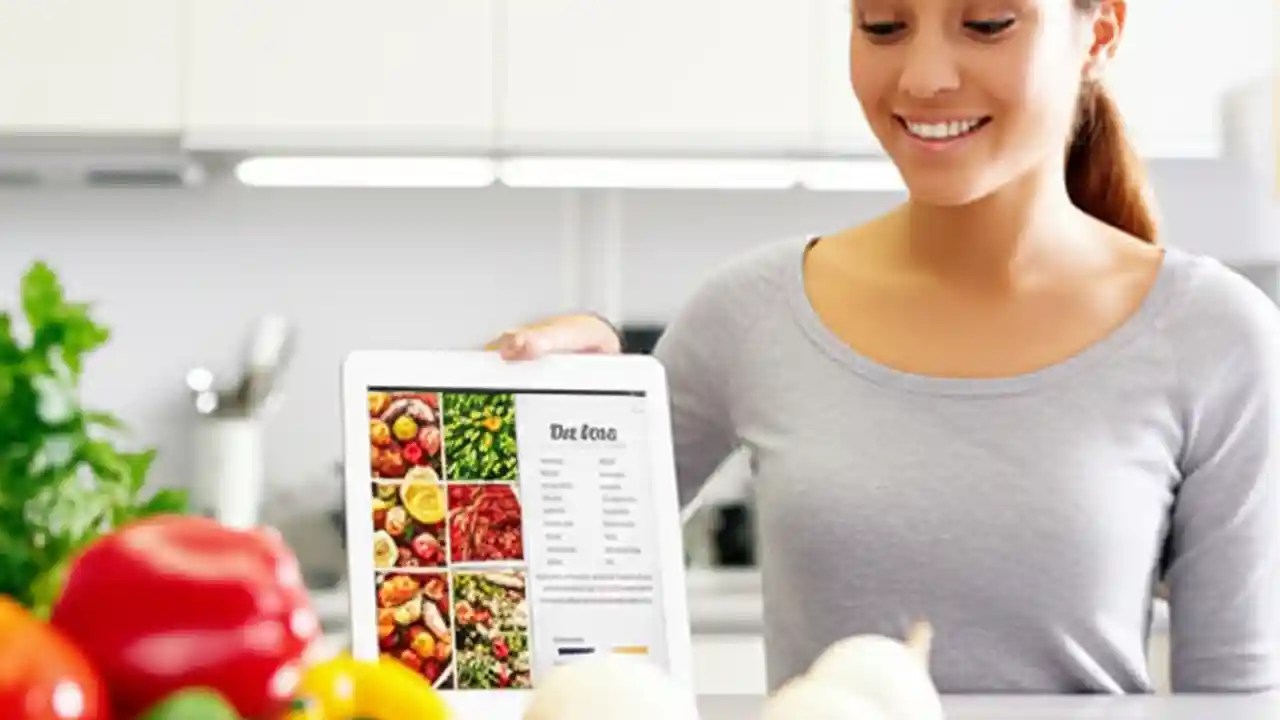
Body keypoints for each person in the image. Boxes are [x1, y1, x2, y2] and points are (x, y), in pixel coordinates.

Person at [487, 0, 1280, 695]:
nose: (924, 77)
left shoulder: (1216, 334)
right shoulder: (750, 311)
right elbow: (509, 591)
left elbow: (1237, 701)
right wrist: (550, 417)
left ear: (1100, 29)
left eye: (988, 24)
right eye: (883, 26)